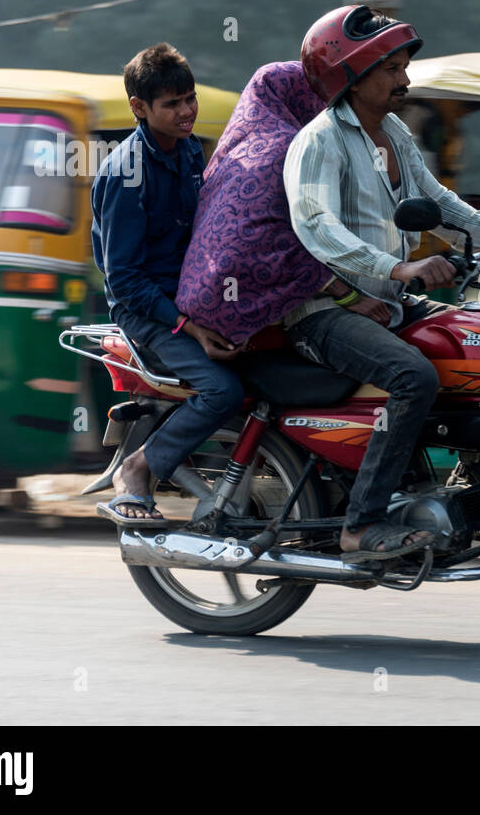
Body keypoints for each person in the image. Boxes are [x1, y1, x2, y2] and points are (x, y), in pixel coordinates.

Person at [284, 5, 480, 563]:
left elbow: (441, 202)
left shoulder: (394, 131)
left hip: (388, 300)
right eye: (389, 69)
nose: (404, 79)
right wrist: (399, 269)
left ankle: (475, 488)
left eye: (403, 66)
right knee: (413, 376)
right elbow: (316, 226)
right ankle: (362, 524)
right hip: (323, 312)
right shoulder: (319, 142)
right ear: (351, 75)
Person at [90, 43, 243, 525]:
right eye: (171, 103)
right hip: (150, 313)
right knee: (221, 391)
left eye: (189, 98)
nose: (186, 111)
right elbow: (126, 280)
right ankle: (138, 469)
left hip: (193, 297)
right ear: (139, 107)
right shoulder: (126, 176)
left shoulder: (190, 153)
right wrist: (189, 326)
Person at [175, 60, 386, 344]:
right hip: (237, 310)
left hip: (201, 300)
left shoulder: (234, 148)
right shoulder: (291, 148)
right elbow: (282, 241)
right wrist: (350, 295)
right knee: (411, 374)